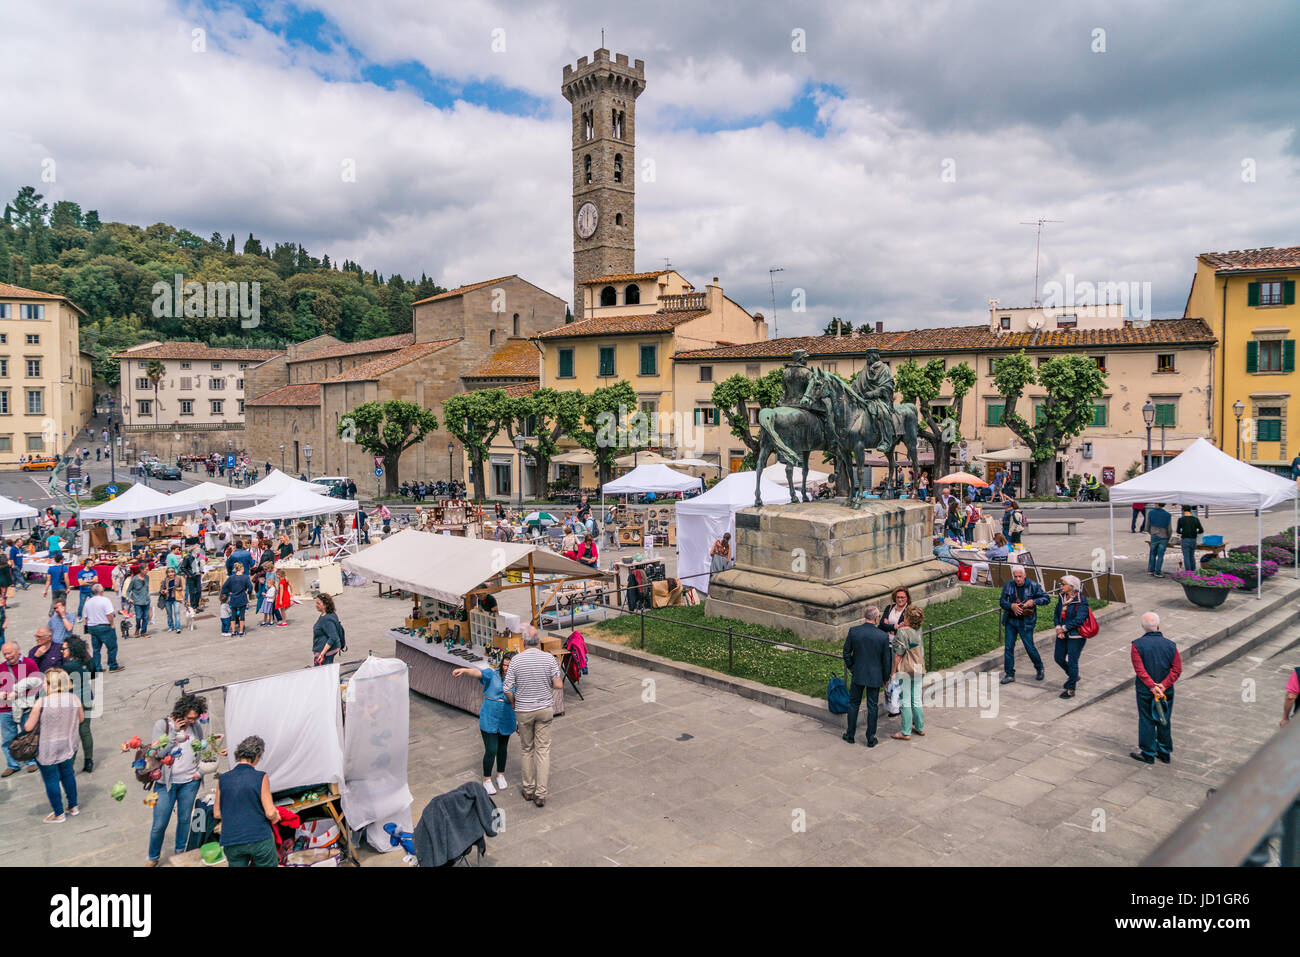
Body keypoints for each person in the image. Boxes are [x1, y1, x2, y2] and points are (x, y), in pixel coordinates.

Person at [146, 693, 209, 866]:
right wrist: (174, 731)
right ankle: (153, 857)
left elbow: (200, 749)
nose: (192, 721)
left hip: (190, 781)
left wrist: (201, 772)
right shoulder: (162, 725)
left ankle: (180, 852)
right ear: (180, 713)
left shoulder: (196, 727)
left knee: (184, 819)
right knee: (159, 823)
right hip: (166, 784)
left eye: (195, 718)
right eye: (189, 718)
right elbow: (158, 753)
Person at [503, 628, 561, 808]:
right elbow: (558, 684)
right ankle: (541, 793)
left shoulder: (516, 661)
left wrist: (513, 702)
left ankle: (528, 789)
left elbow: (507, 688)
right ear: (538, 642)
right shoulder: (549, 658)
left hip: (524, 710)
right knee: (543, 750)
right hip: (544, 709)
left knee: (527, 749)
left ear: (523, 643)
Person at [452, 652, 517, 795]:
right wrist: (463, 670)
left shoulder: (518, 678)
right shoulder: (492, 674)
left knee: (503, 748)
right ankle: (487, 779)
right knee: (491, 749)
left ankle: (500, 774)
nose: (506, 668)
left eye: (509, 665)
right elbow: (477, 673)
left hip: (507, 716)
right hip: (490, 715)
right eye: (504, 664)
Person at [25, 668, 83, 823]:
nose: (43, 684)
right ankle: (74, 806)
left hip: (47, 748)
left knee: (51, 780)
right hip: (67, 744)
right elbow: (81, 719)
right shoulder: (73, 698)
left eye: (45, 681)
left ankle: (59, 813)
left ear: (52, 684)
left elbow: (28, 727)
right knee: (68, 775)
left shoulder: (42, 702)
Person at [215, 735, 283, 867]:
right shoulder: (261, 777)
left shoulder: (223, 779)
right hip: (259, 837)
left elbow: (217, 813)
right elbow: (269, 812)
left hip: (231, 839)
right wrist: (276, 815)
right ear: (257, 756)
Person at [1129, 612, 1182, 764]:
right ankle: (1164, 752)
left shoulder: (1137, 645)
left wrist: (1152, 686)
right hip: (1166, 691)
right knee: (1164, 719)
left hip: (1146, 690)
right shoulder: (1171, 645)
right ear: (1158, 626)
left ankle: (1148, 752)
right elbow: (1177, 669)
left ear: (1143, 627)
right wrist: (1164, 685)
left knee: (1147, 719)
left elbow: (1140, 670)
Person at [842, 606, 893, 747]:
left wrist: (853, 668)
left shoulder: (854, 631)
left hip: (858, 673)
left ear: (865, 616)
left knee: (853, 704)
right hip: (875, 676)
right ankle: (870, 738)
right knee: (872, 707)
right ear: (876, 618)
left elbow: (846, 653)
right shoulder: (882, 636)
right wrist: (885, 678)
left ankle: (850, 734)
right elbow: (886, 660)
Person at [999, 564, 1049, 684]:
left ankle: (1039, 667)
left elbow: (1046, 598)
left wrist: (1034, 601)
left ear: (1025, 575)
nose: (1017, 579)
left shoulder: (1033, 585)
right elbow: (1002, 602)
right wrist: (1011, 606)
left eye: (1020, 576)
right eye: (1015, 576)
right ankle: (1009, 673)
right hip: (1011, 621)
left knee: (1029, 647)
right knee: (1008, 648)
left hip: (1025, 622)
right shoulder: (1009, 585)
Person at [0, 642, 40, 776]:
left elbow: (37, 684)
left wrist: (19, 693)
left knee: (27, 735)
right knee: (7, 739)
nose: (6, 656)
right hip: (5, 709)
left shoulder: (29, 664)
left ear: (18, 651)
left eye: (9, 653)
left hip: (25, 707)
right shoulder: (1, 667)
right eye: (4, 654)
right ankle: (12, 764)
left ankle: (31, 761)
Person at [890, 605, 926, 741]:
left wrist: (893, 671)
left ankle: (905, 732)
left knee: (905, 700)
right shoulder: (918, 629)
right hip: (918, 666)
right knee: (916, 698)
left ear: (907, 618)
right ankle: (920, 727)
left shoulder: (902, 632)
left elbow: (899, 654)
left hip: (906, 668)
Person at [60, 636, 96, 773]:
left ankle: (70, 763)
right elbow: (93, 673)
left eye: (64, 648)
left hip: (73, 703)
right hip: (87, 699)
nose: (61, 651)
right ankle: (89, 761)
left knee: (72, 734)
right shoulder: (88, 661)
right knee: (85, 731)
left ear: (71, 649)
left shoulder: (67, 666)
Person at [1053, 574, 1090, 699]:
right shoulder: (1062, 597)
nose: (1061, 586)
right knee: (1058, 657)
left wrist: (1064, 628)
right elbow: (1057, 613)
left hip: (1076, 636)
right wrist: (1058, 627)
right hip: (1061, 633)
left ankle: (1071, 689)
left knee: (1073, 661)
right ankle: (1073, 675)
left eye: (1063, 584)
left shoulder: (1082, 601)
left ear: (1072, 587)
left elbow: (1079, 619)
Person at [83, 584, 121, 673]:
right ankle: (112, 665)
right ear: (101, 591)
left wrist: (88, 627)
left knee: (96, 649)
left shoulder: (88, 602)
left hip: (92, 627)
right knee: (112, 647)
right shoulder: (105, 600)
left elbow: (86, 617)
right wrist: (112, 624)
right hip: (104, 626)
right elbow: (109, 614)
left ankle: (97, 667)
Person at [312, 593, 344, 666]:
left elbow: (333, 637)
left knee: (322, 673)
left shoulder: (326, 619)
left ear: (325, 605)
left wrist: (322, 654)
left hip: (325, 653)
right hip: (327, 650)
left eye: (318, 603)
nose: (316, 605)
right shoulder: (331, 614)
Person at [221, 562, 252, 637]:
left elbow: (224, 588)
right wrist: (248, 592)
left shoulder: (231, 577)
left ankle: (233, 631)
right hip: (242, 598)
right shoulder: (245, 577)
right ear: (242, 568)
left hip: (233, 598)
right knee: (242, 615)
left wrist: (228, 593)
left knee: (233, 616)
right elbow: (250, 587)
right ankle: (241, 631)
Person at [1146, 503, 1172, 576]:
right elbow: (1169, 529)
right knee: (1160, 555)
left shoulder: (1151, 513)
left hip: (1154, 534)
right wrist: (1168, 537)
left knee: (1152, 553)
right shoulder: (1167, 515)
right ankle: (1157, 571)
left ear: (1157, 504)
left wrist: (1150, 532)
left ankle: (1151, 570)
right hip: (1164, 536)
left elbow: (1147, 525)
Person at [1176, 506, 1204, 573]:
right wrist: (1195, 532)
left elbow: (1178, 531)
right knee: (1192, 555)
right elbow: (1201, 530)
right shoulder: (1195, 519)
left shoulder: (1181, 519)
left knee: (1186, 556)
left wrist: (1183, 532)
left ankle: (1189, 572)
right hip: (1193, 539)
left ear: (1183, 511)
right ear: (1190, 510)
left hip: (1185, 539)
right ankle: (1193, 570)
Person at [126, 566, 152, 636]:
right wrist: (129, 598)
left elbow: (146, 588)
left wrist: (148, 597)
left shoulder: (147, 577)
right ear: (141, 570)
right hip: (137, 602)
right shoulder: (134, 579)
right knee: (138, 617)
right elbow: (128, 591)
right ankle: (137, 628)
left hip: (146, 601)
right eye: (146, 569)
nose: (148, 570)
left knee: (145, 617)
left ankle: (143, 632)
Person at [160, 566, 183, 633]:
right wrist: (164, 591)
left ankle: (177, 627)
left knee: (177, 613)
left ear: (174, 572)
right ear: (167, 573)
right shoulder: (164, 580)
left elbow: (181, 587)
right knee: (169, 614)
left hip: (176, 599)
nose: (171, 574)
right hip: (167, 599)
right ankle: (171, 626)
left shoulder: (178, 578)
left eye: (172, 572)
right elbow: (161, 590)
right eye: (169, 572)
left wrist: (178, 588)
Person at [182, 546, 204, 613]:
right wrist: (189, 574)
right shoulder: (187, 557)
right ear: (193, 550)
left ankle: (196, 606)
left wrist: (201, 571)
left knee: (198, 591)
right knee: (192, 592)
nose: (199, 550)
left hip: (197, 575)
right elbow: (183, 567)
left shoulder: (197, 557)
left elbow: (198, 565)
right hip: (191, 576)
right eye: (197, 549)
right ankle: (193, 607)